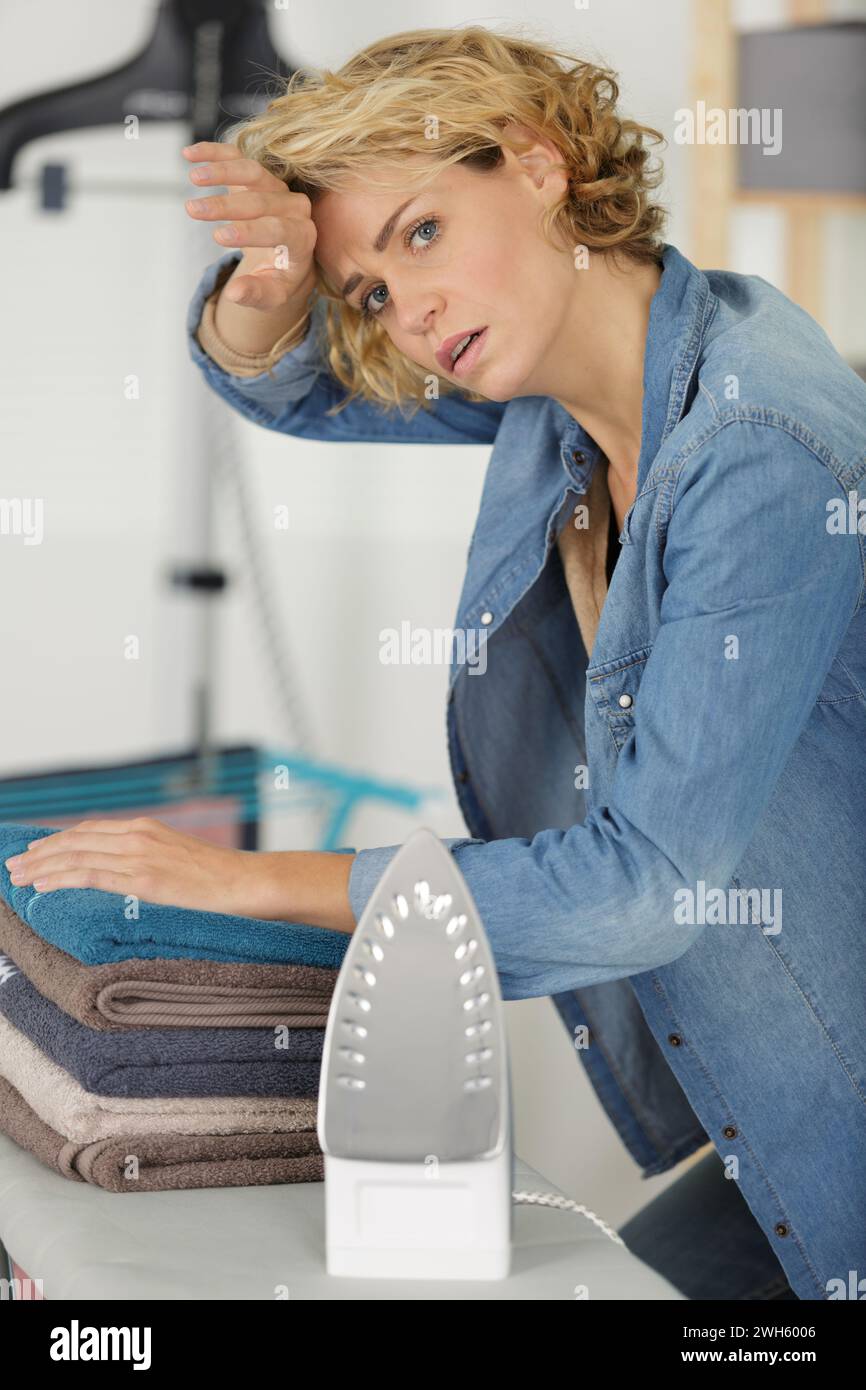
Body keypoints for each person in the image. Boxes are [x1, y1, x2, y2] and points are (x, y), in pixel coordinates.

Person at [8, 25, 865, 1301]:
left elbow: (643, 888)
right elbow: (294, 391)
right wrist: (273, 275)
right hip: (775, 1092)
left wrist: (246, 882)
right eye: (367, 289)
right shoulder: (572, 373)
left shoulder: (757, 444)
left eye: (419, 234)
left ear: (533, 164)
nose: (407, 312)